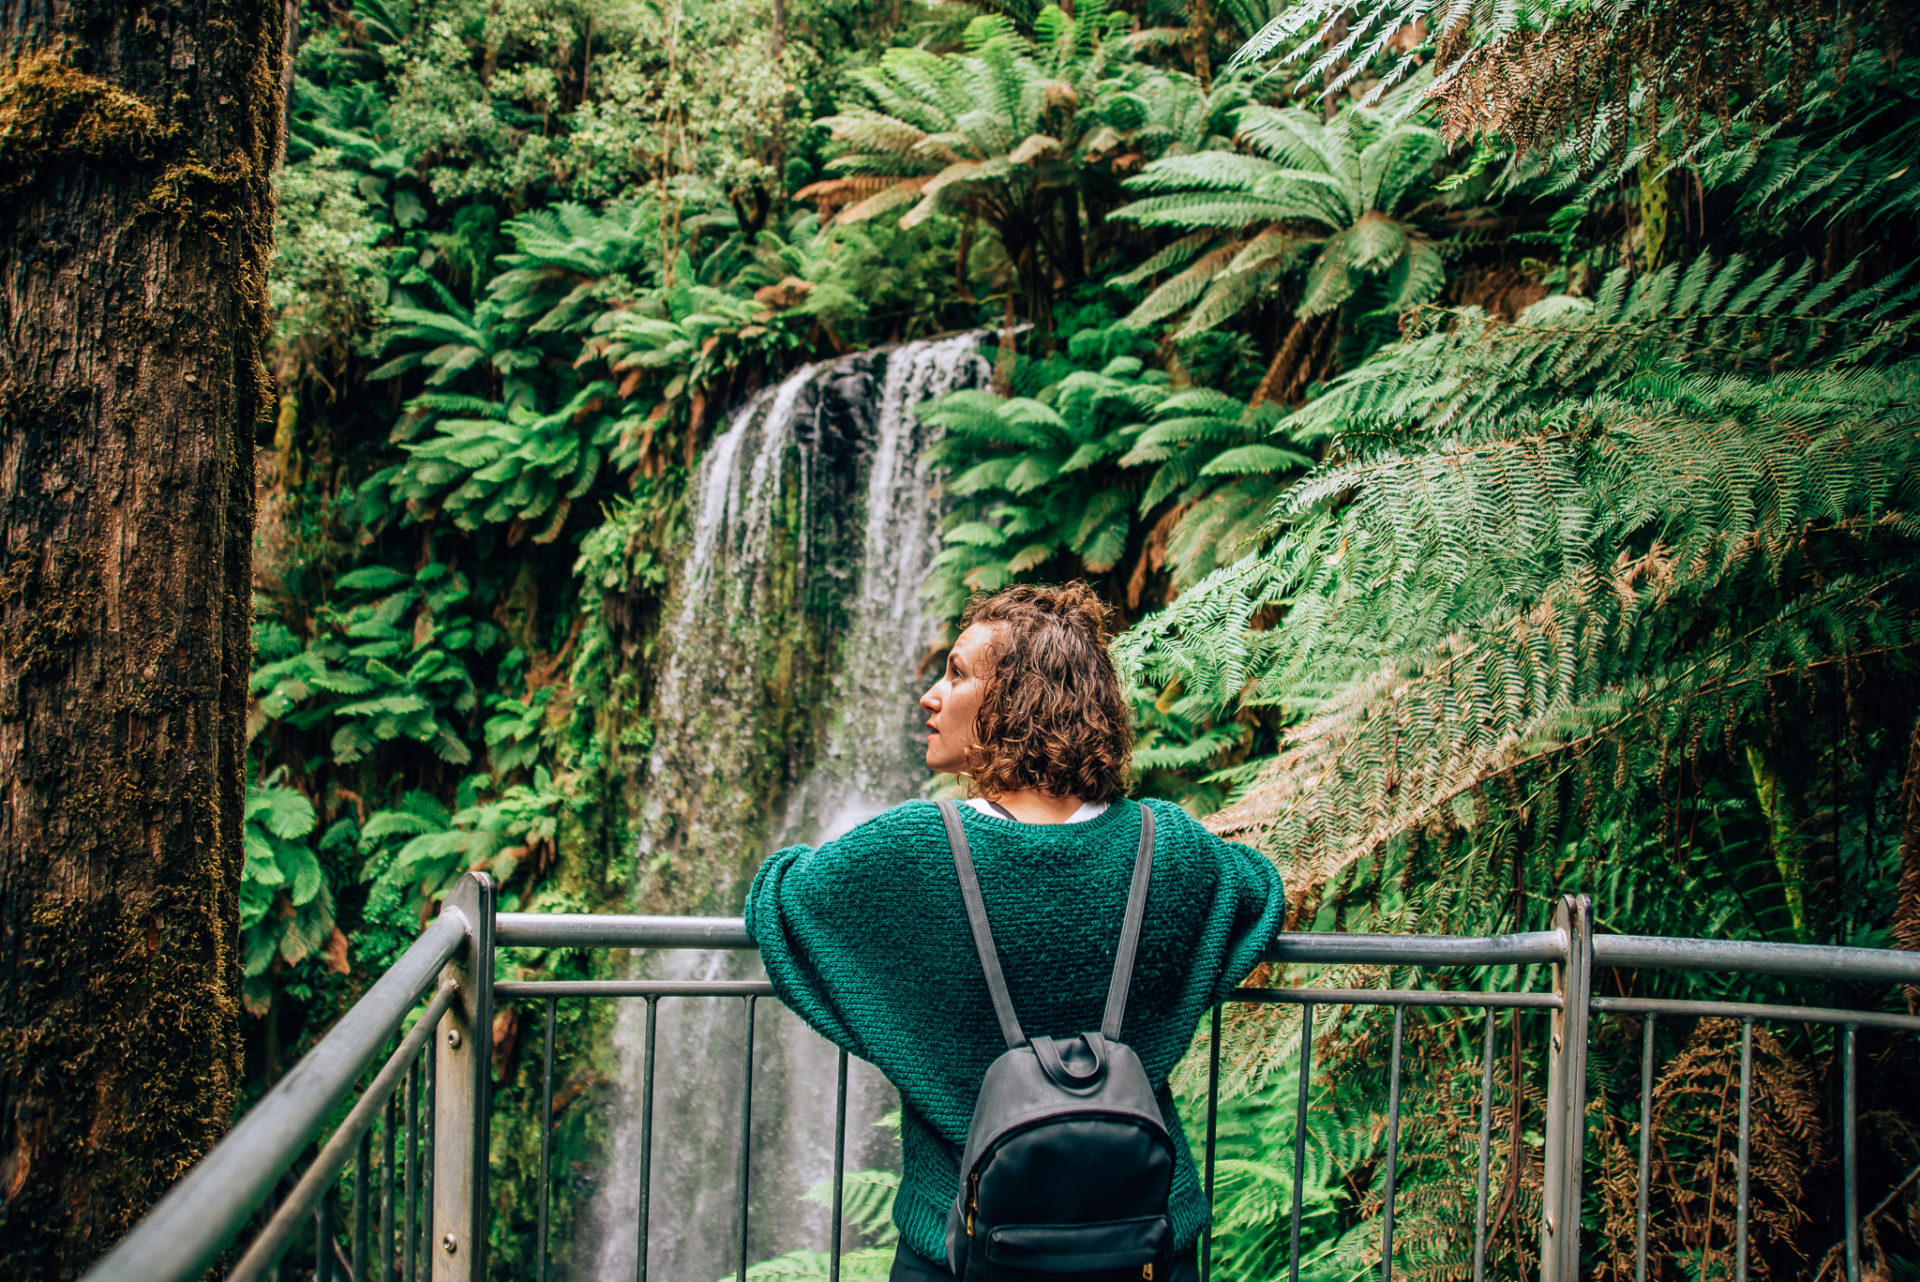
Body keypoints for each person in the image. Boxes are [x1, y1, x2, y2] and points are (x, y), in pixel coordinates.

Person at [745, 582, 1285, 1281]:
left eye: (958, 674)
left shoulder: (910, 850)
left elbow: (783, 900)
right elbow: (1257, 892)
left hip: (961, 1244)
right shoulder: (1169, 849)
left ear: (1020, 701)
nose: (929, 697)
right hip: (1143, 1238)